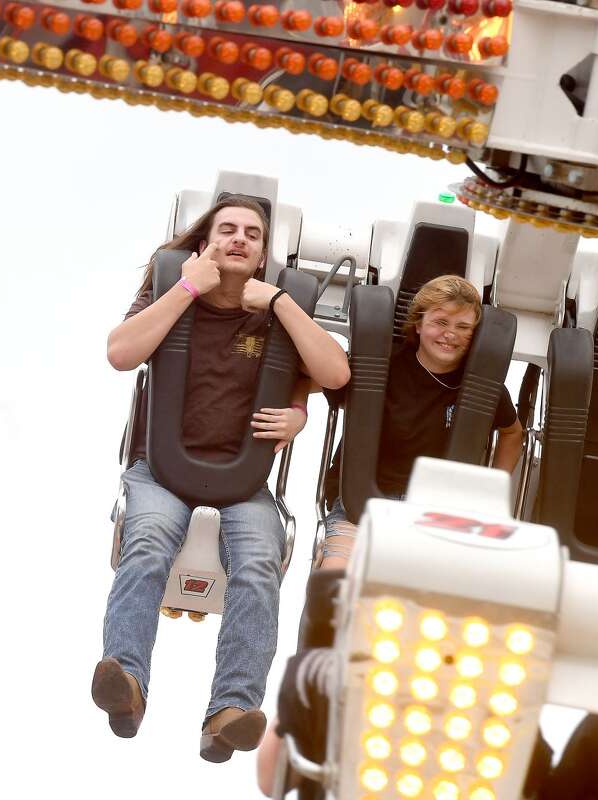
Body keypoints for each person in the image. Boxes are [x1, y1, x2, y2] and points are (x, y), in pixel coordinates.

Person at [95, 197, 351, 763]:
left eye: (252, 234)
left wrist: (281, 311)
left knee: (259, 566)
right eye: (227, 230)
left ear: (263, 254)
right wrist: (187, 287)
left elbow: (335, 374)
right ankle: (127, 681)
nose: (239, 239)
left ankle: (231, 710)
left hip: (243, 483)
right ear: (205, 241)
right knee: (147, 542)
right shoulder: (172, 289)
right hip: (160, 470)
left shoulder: (273, 313)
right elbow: (120, 353)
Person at [315, 274, 524, 570]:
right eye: (441, 322)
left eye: (463, 327)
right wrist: (296, 408)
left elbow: (513, 433)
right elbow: (322, 377)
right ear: (418, 323)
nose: (450, 334)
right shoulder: (381, 366)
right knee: (334, 579)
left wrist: (490, 493)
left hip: (438, 520)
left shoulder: (482, 388)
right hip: (362, 507)